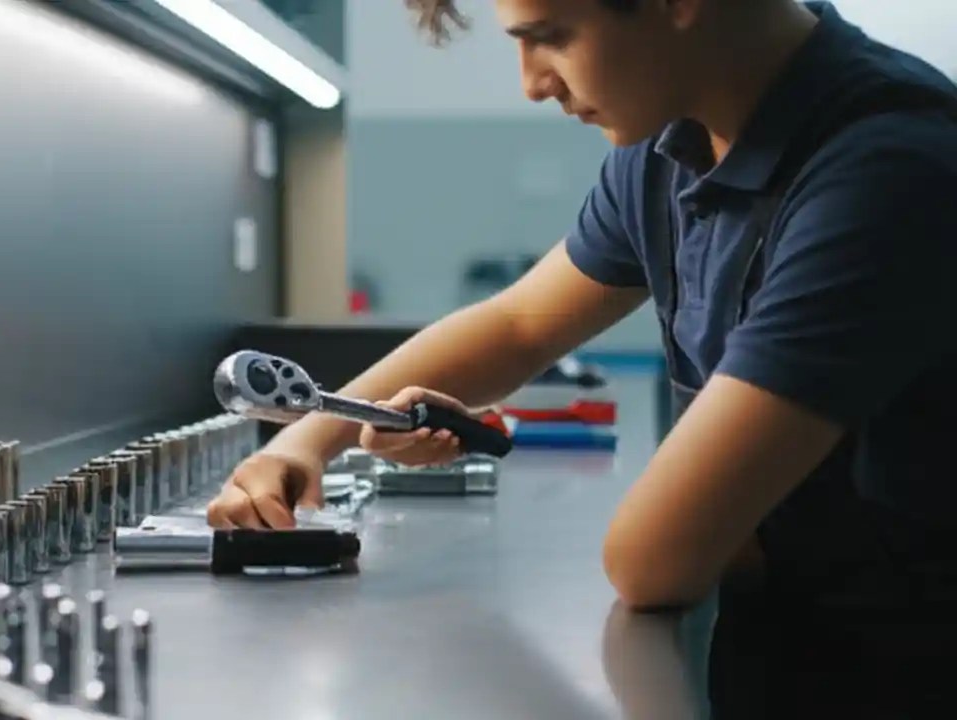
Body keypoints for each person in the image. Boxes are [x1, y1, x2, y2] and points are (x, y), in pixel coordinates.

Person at [207, 0, 957, 612]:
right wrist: (307, 441)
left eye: (551, 38)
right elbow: (517, 325)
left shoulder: (881, 170)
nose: (533, 82)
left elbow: (654, 558)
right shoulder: (668, 146)